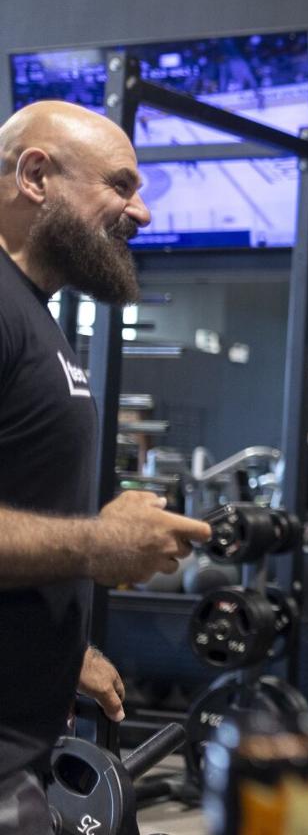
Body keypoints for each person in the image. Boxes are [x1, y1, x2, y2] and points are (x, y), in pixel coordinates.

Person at [0, 101, 213, 826]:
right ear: (36, 176)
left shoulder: (34, 313)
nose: (141, 212)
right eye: (121, 186)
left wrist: (63, 652)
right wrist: (99, 544)